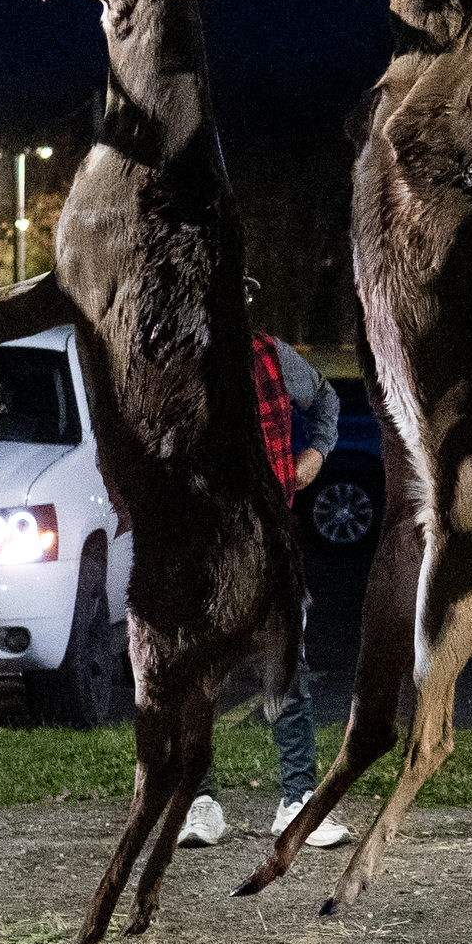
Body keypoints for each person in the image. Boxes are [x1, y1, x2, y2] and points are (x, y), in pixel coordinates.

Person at [177, 311, 347, 852]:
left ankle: (296, 801)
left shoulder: (270, 355)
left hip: (270, 535)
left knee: (285, 666)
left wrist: (316, 454)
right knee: (197, 671)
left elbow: (327, 401)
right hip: (204, 538)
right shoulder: (180, 363)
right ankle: (200, 802)